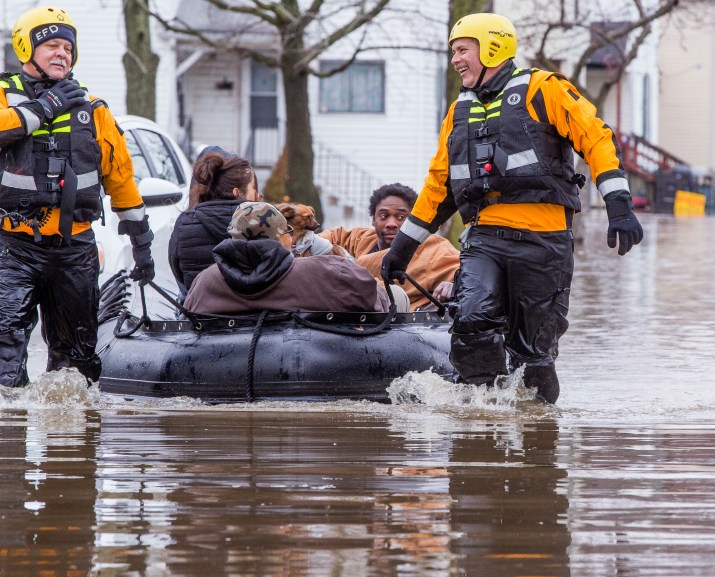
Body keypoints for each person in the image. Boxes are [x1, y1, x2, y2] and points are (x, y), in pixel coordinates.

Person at [381, 13, 644, 404]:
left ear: (492, 48)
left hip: (544, 245)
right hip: (485, 240)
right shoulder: (458, 113)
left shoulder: (544, 89)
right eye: (453, 51)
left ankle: (537, 443)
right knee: (470, 323)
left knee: (534, 355)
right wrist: (401, 250)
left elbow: (597, 139)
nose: (454, 59)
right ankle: (480, 424)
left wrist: (618, 204)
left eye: (461, 50)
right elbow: (439, 187)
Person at [0, 5, 154, 387]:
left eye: (67, 48)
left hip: (74, 249)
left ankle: (71, 440)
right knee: (3, 353)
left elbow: (120, 177)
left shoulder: (94, 109)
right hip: (14, 248)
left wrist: (142, 243)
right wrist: (45, 107)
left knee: (77, 362)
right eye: (51, 45)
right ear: (26, 50)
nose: (62, 54)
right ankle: (3, 434)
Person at [184, 202, 390, 314]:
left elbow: (188, 323)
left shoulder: (204, 281)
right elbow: (375, 300)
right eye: (288, 231)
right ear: (283, 238)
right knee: (396, 294)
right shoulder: (329, 271)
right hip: (314, 364)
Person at [321, 183, 459, 310]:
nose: (391, 223)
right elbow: (332, 236)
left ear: (414, 221)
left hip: (402, 327)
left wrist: (453, 285)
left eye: (401, 217)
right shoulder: (365, 238)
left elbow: (467, 274)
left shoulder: (433, 247)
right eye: (383, 216)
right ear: (373, 220)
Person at [168, 146, 258, 296]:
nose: (258, 199)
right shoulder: (260, 222)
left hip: (200, 313)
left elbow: (179, 274)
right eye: (255, 193)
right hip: (254, 315)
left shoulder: (184, 223)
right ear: (237, 192)